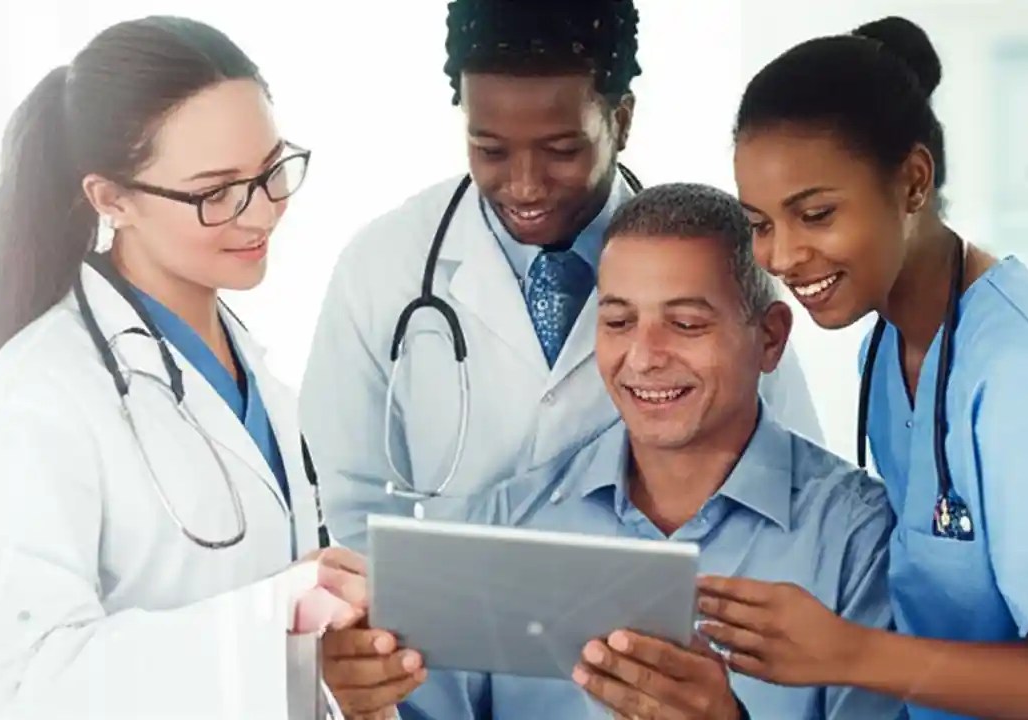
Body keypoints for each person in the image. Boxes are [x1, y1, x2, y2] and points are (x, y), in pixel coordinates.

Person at [694, 16, 1028, 720]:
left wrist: (847, 652)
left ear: (914, 182)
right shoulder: (888, 352)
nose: (783, 257)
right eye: (760, 224)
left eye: (816, 214)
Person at [321, 182, 900, 720]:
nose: (643, 357)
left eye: (686, 323)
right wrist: (358, 700)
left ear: (769, 337)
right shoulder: (507, 526)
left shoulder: (856, 538)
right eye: (619, 321)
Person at [299, 0, 822, 549]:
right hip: (439, 599)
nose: (525, 185)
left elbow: (790, 470)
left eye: (562, 150)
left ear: (621, 121)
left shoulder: (713, 260)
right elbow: (355, 504)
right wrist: (419, 594)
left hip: (672, 596)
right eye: (490, 150)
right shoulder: (383, 266)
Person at [0, 17, 398, 718]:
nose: (262, 213)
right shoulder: (38, 395)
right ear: (111, 199)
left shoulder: (255, 374)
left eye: (271, 170)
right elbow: (27, 686)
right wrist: (276, 618)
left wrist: (335, 667)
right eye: (216, 192)